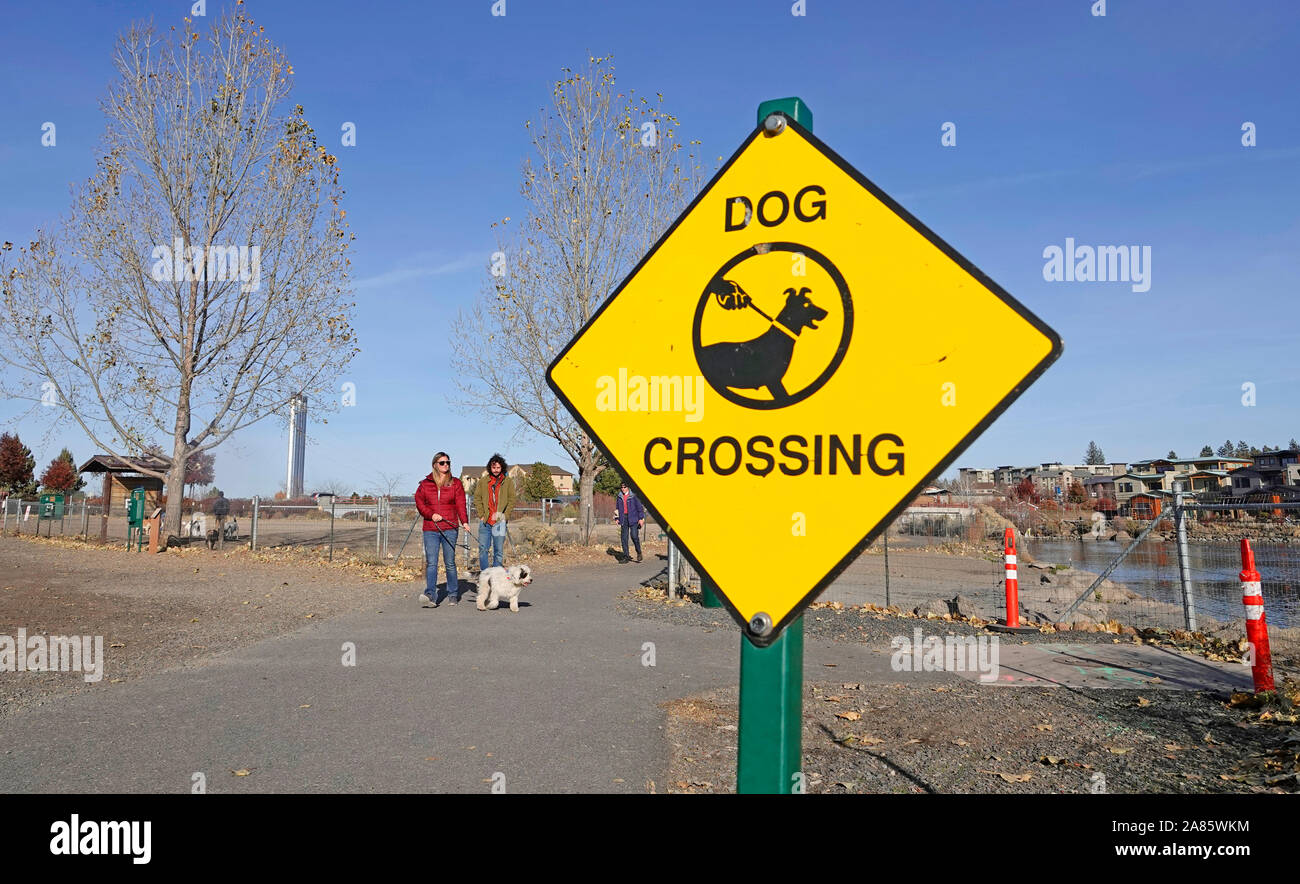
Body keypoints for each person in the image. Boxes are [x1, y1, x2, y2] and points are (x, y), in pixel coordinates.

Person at [415, 452, 468, 606]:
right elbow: (420, 503)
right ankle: (431, 594)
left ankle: (453, 594)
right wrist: (431, 515)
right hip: (430, 529)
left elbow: (460, 505)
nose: (446, 465)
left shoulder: (456, 483)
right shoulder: (425, 484)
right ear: (435, 465)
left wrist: (464, 522)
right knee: (431, 562)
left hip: (450, 528)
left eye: (448, 462)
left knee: (449, 562)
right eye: (442, 462)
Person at [473, 453, 516, 571]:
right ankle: (485, 576)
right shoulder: (483, 481)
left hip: (499, 522)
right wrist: (481, 515)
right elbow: (477, 498)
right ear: (490, 468)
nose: (496, 470)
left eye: (498, 467)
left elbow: (512, 499)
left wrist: (505, 516)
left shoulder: (508, 482)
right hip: (485, 522)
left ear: (502, 467)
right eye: (493, 467)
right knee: (483, 550)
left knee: (498, 551)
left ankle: (497, 578)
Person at [612, 481, 645, 563]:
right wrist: (617, 518)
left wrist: (641, 518)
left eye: (624, 487)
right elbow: (617, 509)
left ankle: (639, 552)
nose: (623, 489)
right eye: (622, 487)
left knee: (634, 536)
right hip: (623, 519)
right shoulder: (619, 496)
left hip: (633, 518)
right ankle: (626, 556)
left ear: (628, 488)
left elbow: (640, 508)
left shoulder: (634, 496)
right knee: (624, 538)